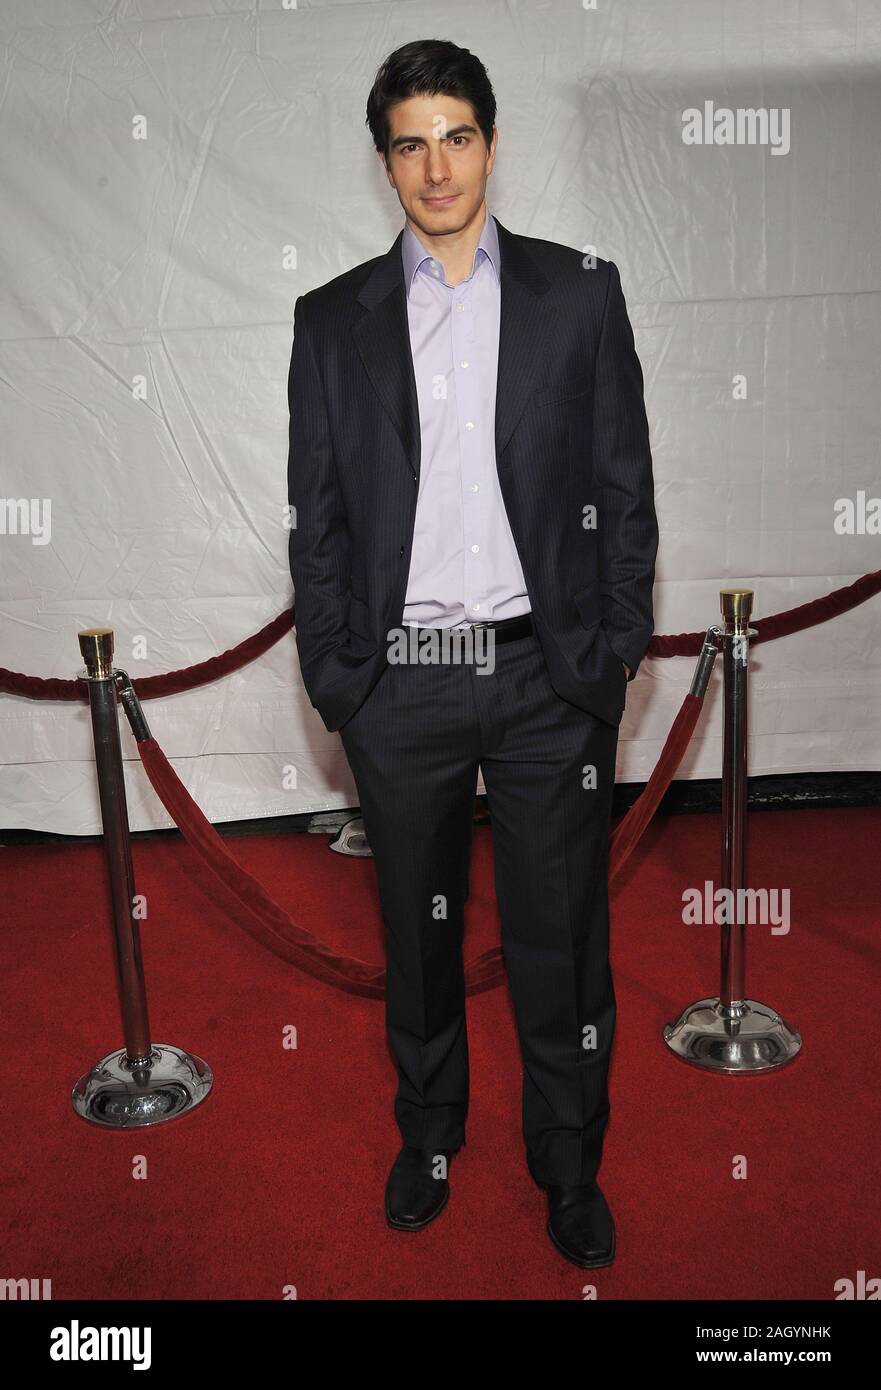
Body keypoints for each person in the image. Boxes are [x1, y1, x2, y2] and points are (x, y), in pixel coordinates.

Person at [287, 38, 658, 1268]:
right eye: (409, 141)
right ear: (384, 160)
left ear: (490, 143)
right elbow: (321, 513)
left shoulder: (577, 293)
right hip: (401, 686)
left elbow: (623, 487)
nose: (435, 164)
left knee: (562, 944)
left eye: (455, 135)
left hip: (547, 683)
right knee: (417, 936)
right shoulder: (329, 318)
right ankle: (429, 1136)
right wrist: (345, 677)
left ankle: (569, 1165)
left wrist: (601, 661)